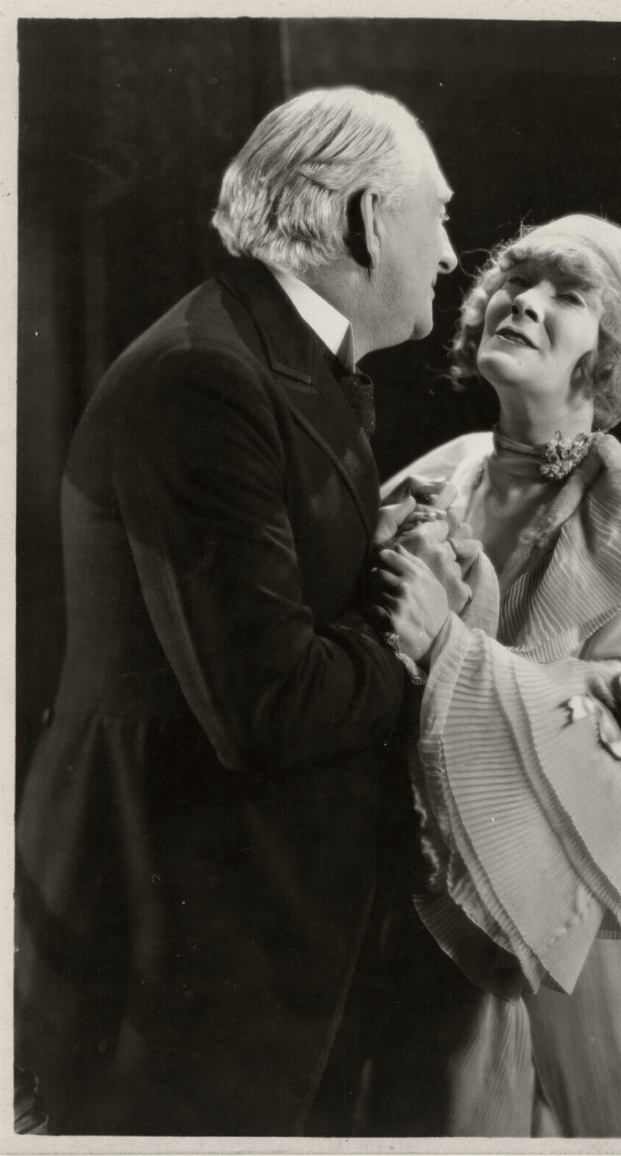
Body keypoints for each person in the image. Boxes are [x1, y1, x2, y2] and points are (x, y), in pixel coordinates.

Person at [14, 86, 458, 1135]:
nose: (449, 253)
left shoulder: (284, 355)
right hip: (182, 937)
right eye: (437, 214)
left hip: (247, 915)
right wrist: (418, 630)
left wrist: (391, 561)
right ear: (361, 220)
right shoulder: (205, 377)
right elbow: (270, 705)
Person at [361, 213, 621, 1137]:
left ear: (607, 359)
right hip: (404, 903)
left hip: (564, 918)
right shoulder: (430, 480)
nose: (524, 302)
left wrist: (452, 650)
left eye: (567, 296)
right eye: (517, 284)